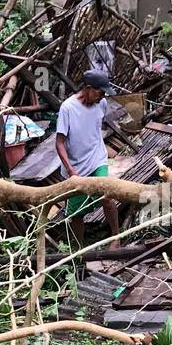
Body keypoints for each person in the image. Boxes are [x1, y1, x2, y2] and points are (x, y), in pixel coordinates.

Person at [55, 69, 121, 249]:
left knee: (106, 197)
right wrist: (70, 171)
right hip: (76, 168)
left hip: (97, 159)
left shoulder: (102, 104)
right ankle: (79, 249)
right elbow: (59, 143)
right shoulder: (68, 108)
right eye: (100, 92)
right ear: (89, 89)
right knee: (76, 213)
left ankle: (116, 237)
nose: (102, 96)